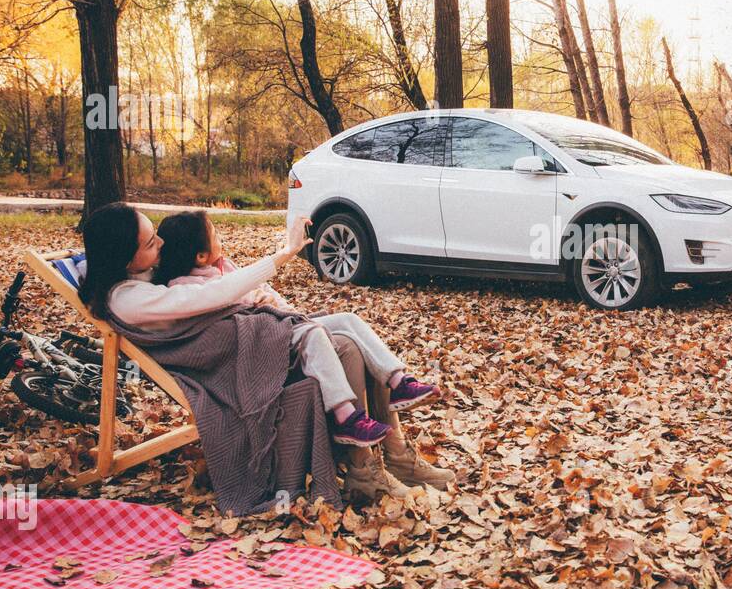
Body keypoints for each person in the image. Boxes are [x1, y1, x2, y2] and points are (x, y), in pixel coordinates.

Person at [78, 203, 452, 510]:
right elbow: (208, 298)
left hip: (252, 336)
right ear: (124, 258)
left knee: (348, 331)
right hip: (233, 362)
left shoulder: (142, 275)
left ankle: (395, 455)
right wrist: (282, 256)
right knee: (344, 347)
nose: (160, 244)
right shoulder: (129, 299)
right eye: (150, 242)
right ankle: (362, 469)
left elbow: (205, 277)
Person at [154, 210, 440, 413]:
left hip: (287, 320)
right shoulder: (186, 288)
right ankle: (347, 418)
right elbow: (233, 308)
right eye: (214, 233)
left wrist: (285, 306)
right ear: (200, 255)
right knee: (343, 343)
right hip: (270, 337)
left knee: (348, 320)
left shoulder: (223, 266)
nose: (221, 236)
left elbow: (263, 291)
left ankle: (398, 380)